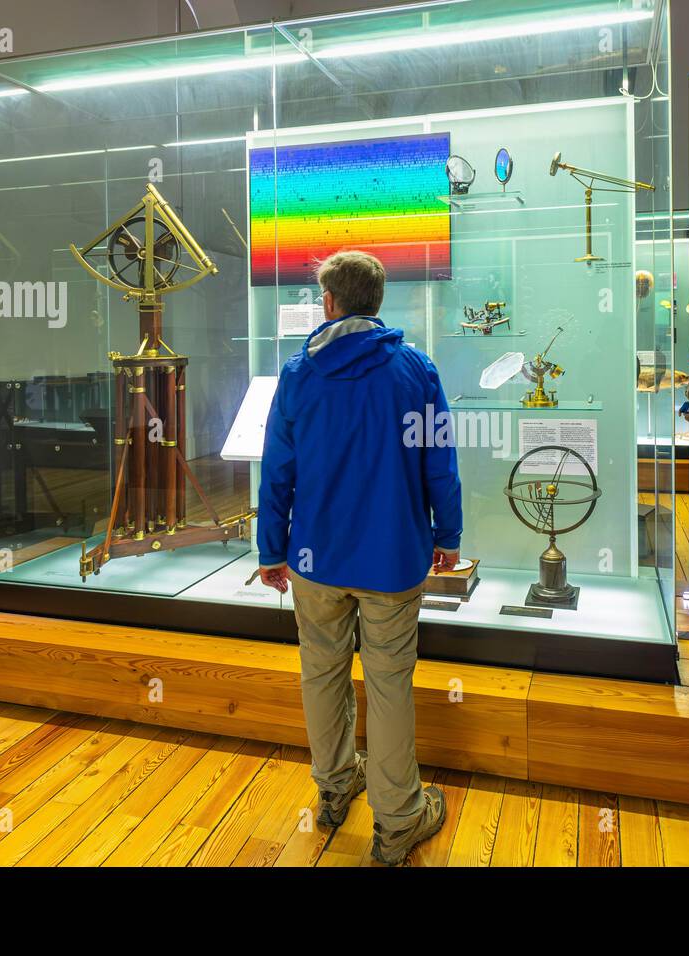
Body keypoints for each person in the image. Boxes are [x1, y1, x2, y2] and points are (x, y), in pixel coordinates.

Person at [256, 250, 463, 865]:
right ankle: (400, 820)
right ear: (376, 301)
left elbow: (277, 472)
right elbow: (440, 461)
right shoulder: (416, 369)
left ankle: (334, 791)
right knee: (389, 682)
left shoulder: (298, 374)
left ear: (330, 302)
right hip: (394, 559)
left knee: (320, 674)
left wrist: (271, 549)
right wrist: (447, 536)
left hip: (315, 561)